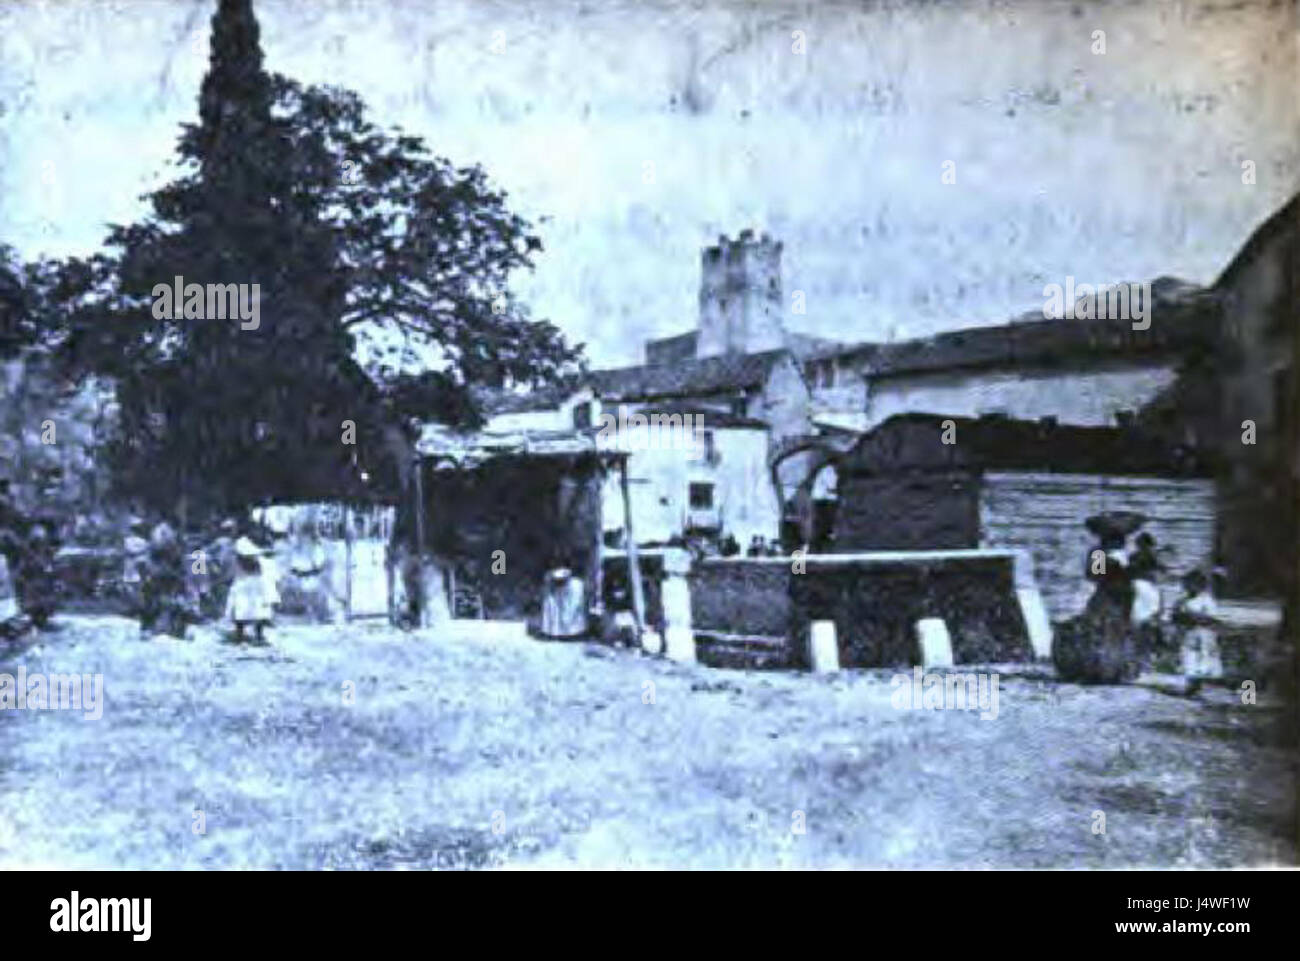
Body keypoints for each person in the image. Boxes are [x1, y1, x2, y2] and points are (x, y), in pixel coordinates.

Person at [1173, 569, 1222, 686]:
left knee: (1204, 655)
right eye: (1186, 585)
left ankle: (1201, 680)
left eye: (1191, 585)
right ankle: (1191, 681)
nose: (1188, 588)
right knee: (1189, 655)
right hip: (1188, 632)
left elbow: (1213, 618)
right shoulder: (1182, 600)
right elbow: (1175, 616)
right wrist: (1179, 618)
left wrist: (1195, 616)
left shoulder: (1206, 600)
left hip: (1204, 633)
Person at [226, 536, 273, 644]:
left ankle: (244, 635)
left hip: (246, 585)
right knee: (253, 610)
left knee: (245, 611)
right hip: (251, 585)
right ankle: (255, 635)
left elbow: (230, 575)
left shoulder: (242, 561)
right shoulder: (255, 561)